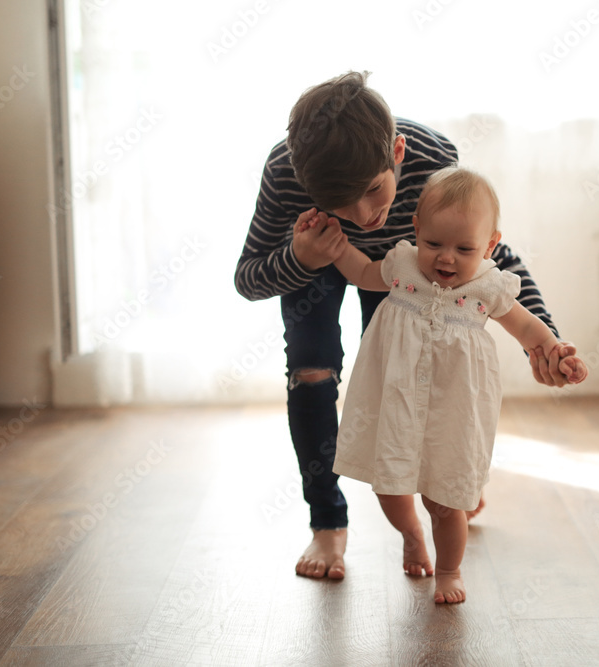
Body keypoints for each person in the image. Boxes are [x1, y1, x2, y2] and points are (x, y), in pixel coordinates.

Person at [234, 71, 578, 581]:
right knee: (312, 369)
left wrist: (543, 341)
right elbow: (248, 279)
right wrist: (299, 256)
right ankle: (327, 524)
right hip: (318, 263)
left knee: (420, 373)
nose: (362, 216)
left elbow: (489, 262)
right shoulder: (286, 171)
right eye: (339, 204)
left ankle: (446, 481)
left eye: (373, 191)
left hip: (406, 283)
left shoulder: (432, 159)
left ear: (396, 153)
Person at [295, 166, 588, 603]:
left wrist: (556, 350)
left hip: (455, 409)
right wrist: (334, 246)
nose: (446, 258)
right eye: (433, 243)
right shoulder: (402, 266)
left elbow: (529, 329)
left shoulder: (489, 286)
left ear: (490, 245)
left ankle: (449, 571)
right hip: (397, 400)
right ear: (417, 231)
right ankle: (411, 533)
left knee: (448, 499)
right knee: (389, 486)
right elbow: (360, 272)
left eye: (463, 248)